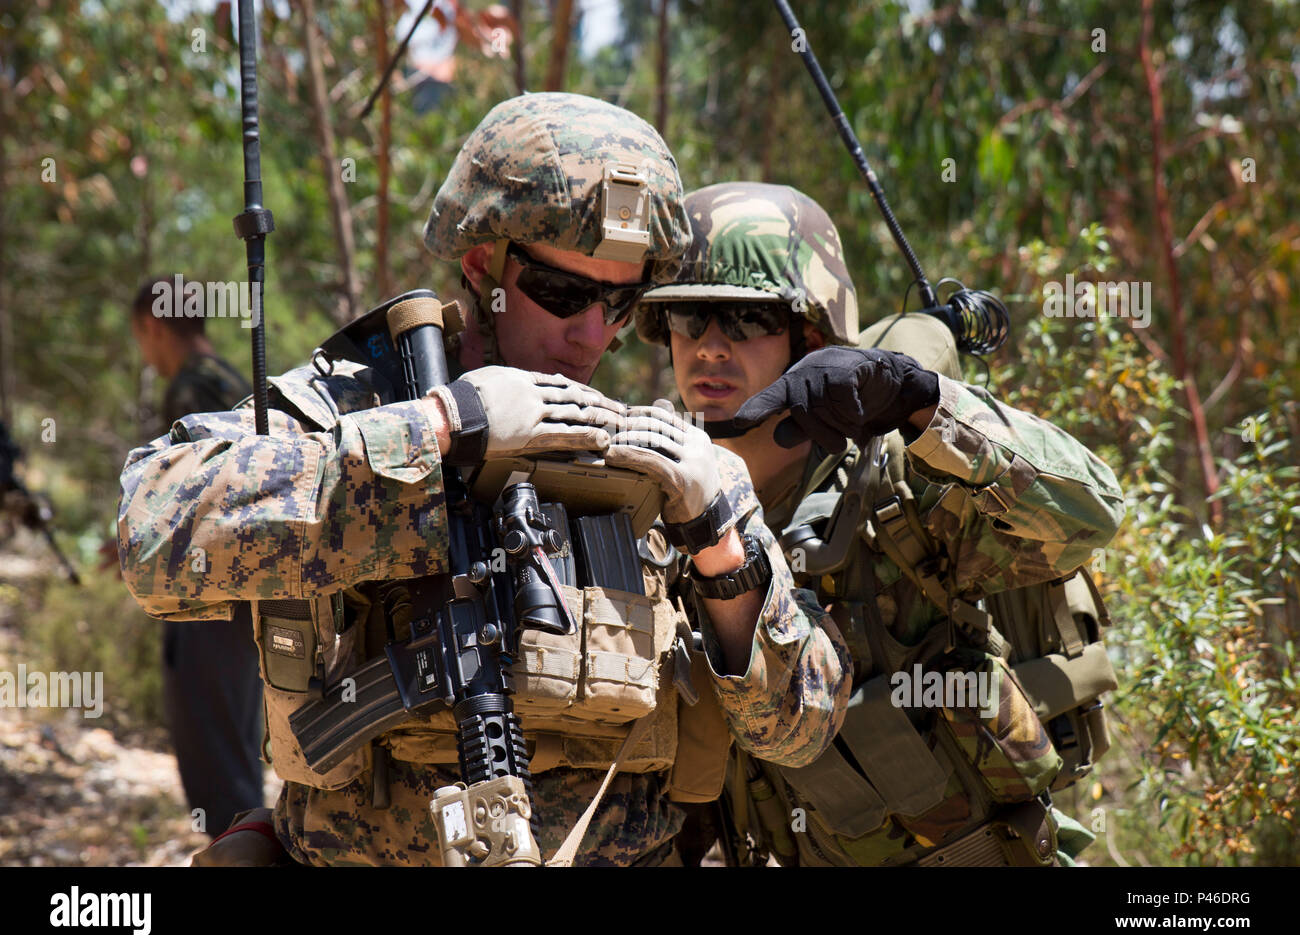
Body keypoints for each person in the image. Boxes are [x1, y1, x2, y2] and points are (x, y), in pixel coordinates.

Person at [117, 95, 849, 867]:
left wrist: (721, 546)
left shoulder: (656, 462)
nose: (592, 334)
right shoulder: (362, 407)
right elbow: (151, 531)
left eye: (619, 302)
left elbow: (799, 730)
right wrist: (434, 431)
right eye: (564, 296)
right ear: (480, 266)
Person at [634, 181, 1126, 866]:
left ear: (809, 337)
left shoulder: (895, 485)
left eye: (743, 320)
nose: (709, 348)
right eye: (689, 322)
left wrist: (922, 402)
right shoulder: (656, 514)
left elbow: (1095, 512)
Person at [128, 277, 264, 839]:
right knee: (234, 745)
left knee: (217, 760)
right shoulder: (234, 378)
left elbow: (196, 499)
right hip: (251, 589)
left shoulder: (190, 388)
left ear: (153, 327)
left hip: (208, 600)